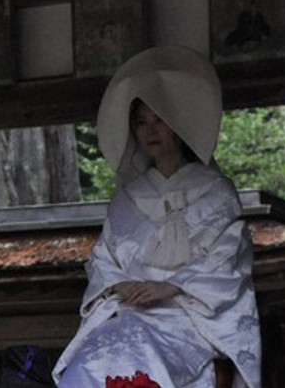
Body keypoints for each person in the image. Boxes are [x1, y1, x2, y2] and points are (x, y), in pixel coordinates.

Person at [52, 46, 261, 388]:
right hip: (130, 313)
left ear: (177, 124)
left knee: (146, 361)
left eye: (159, 119)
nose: (150, 130)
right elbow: (103, 259)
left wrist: (170, 286)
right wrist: (121, 285)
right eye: (141, 121)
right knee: (92, 363)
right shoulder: (127, 197)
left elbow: (228, 261)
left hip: (188, 317)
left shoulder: (215, 191)